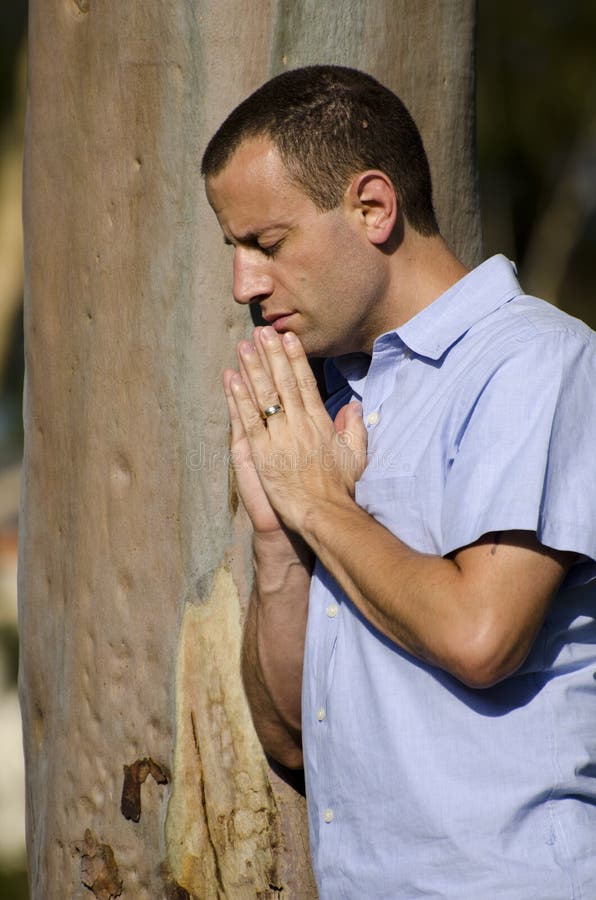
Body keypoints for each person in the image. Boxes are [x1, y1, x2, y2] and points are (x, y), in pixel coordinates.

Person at [201, 65, 596, 899]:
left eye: (266, 245)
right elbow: (289, 736)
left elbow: (481, 635)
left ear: (373, 207)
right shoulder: (327, 403)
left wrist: (317, 504)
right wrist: (280, 546)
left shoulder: (535, 361)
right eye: (233, 250)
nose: (244, 285)